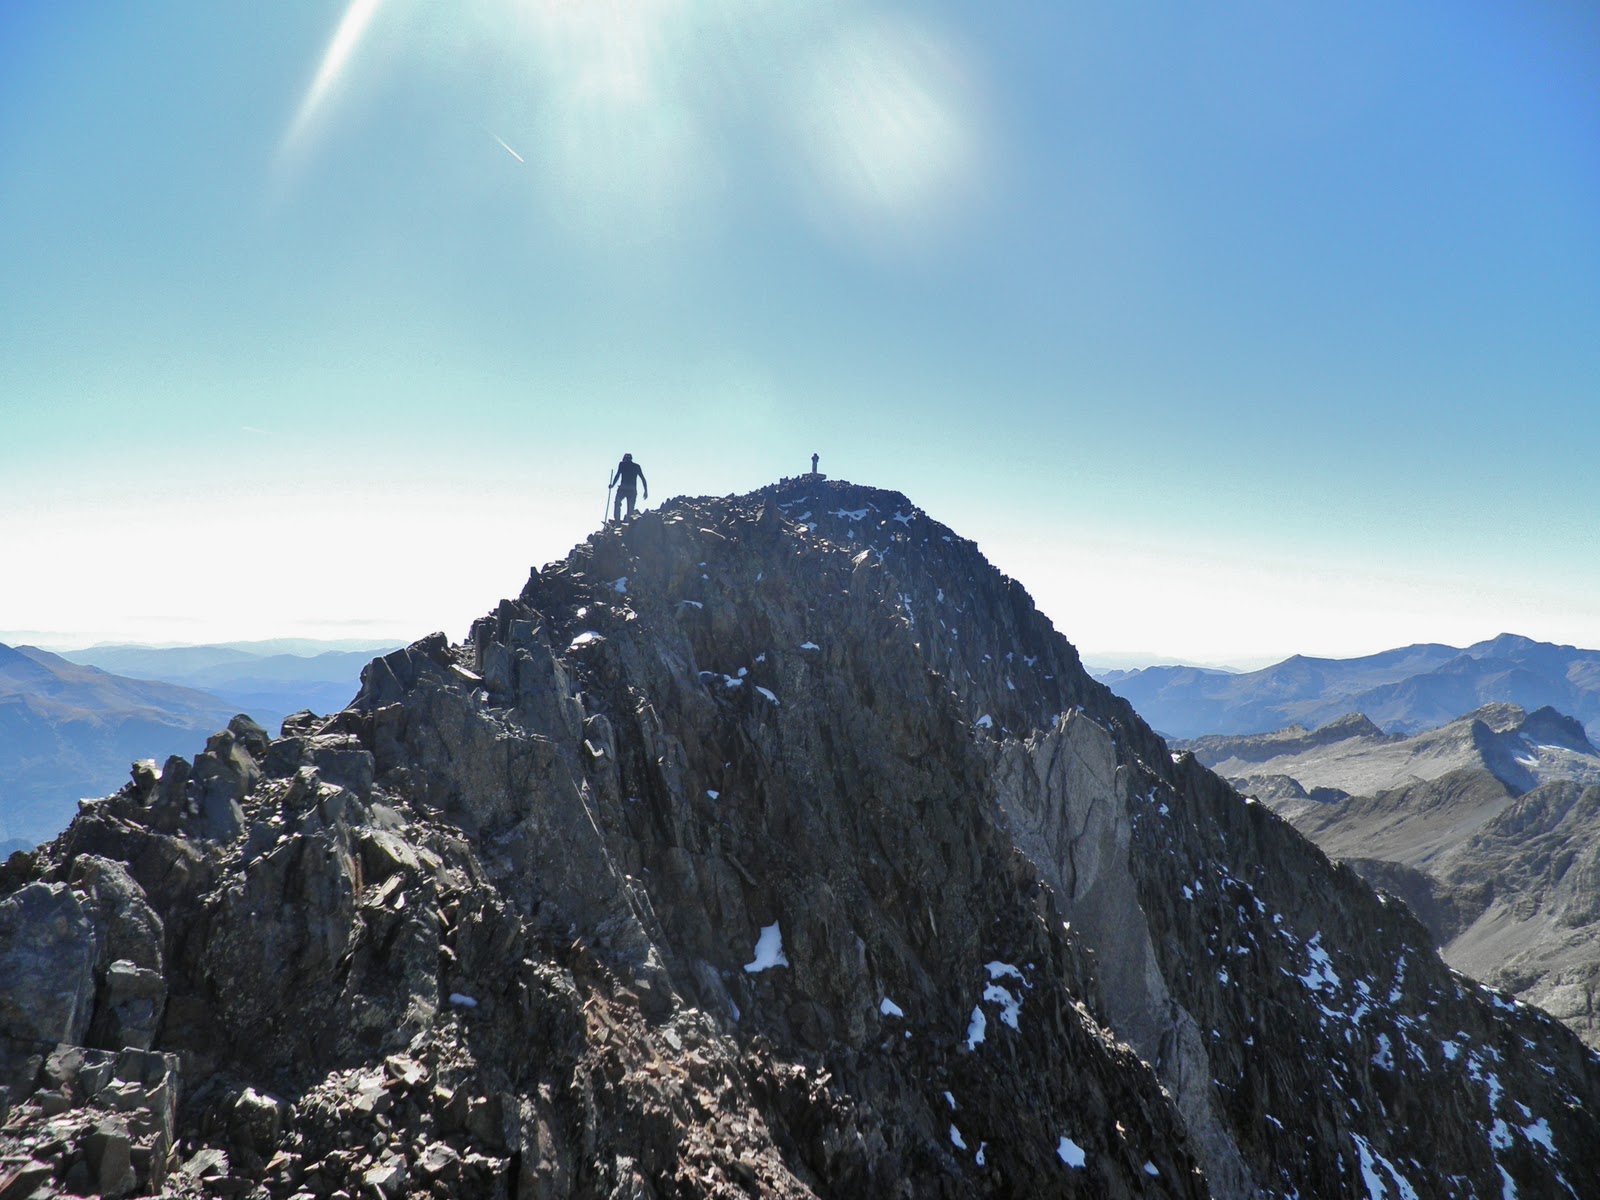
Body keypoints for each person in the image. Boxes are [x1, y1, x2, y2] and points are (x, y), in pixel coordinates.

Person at [610, 453, 648, 522]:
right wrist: (646, 491)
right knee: (630, 508)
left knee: (617, 503)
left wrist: (612, 485)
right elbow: (643, 479)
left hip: (623, 488)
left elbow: (617, 475)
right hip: (632, 489)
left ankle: (617, 521)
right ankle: (628, 523)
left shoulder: (622, 464)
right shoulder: (636, 466)